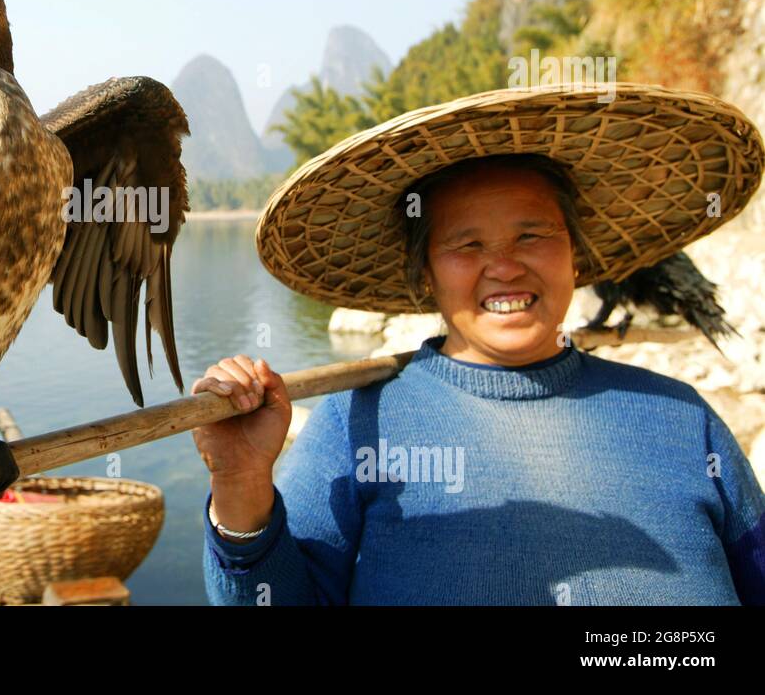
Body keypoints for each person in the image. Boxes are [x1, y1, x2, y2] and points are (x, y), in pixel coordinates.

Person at [195, 83, 765, 605]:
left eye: (532, 234)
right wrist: (242, 486)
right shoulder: (357, 427)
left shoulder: (684, 419)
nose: (504, 267)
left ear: (577, 254)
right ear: (424, 275)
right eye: (466, 246)